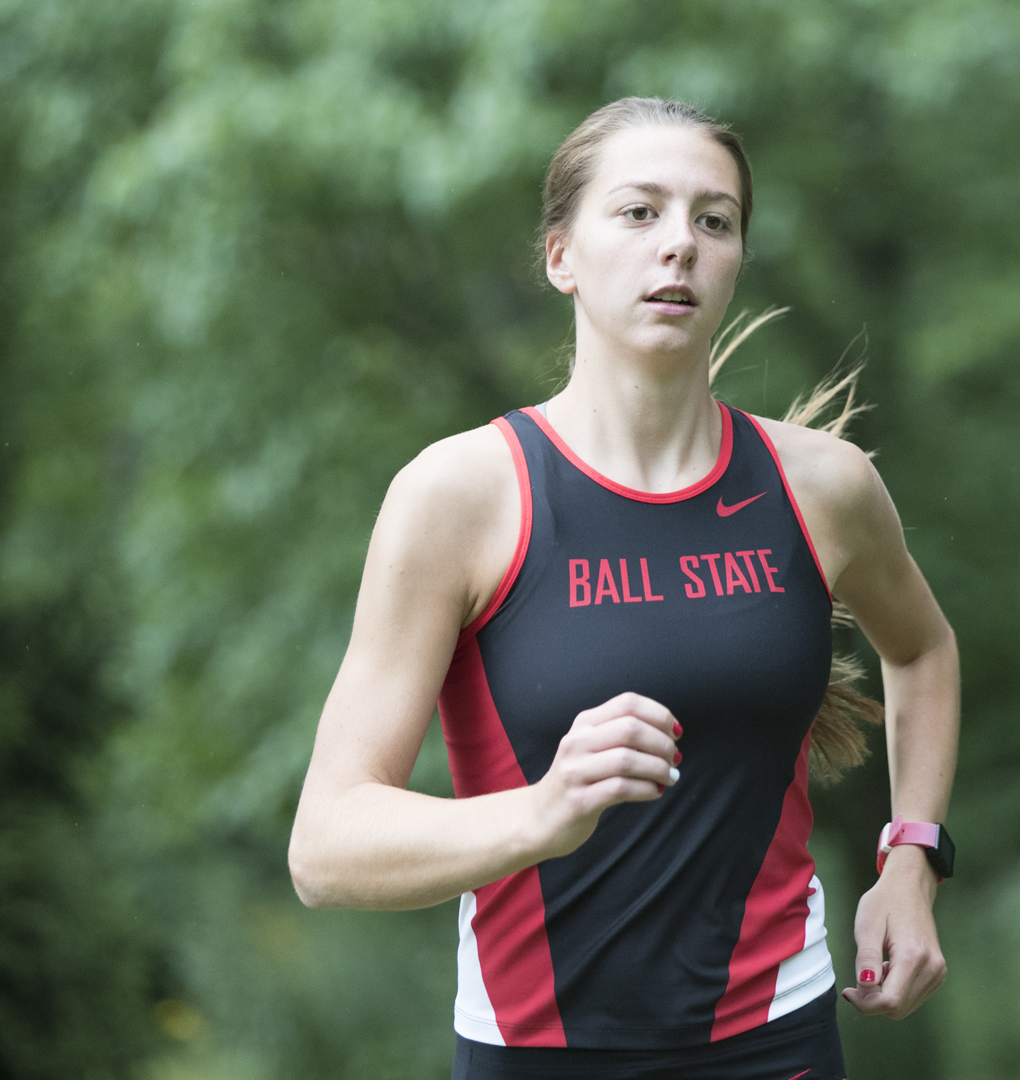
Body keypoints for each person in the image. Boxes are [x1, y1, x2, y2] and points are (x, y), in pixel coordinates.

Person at [287, 97, 959, 1080]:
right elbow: (326, 847)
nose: (679, 243)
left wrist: (911, 858)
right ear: (561, 256)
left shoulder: (823, 488)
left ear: (736, 260)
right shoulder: (461, 496)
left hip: (780, 1040)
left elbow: (924, 648)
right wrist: (541, 812)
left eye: (713, 220)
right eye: (640, 212)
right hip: (540, 1053)